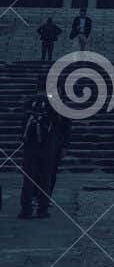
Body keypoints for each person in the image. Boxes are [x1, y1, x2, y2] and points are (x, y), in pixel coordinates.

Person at [19, 89, 58, 219]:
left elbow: (22, 122)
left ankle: (26, 209)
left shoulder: (29, 102)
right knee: (45, 178)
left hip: (30, 146)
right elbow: (60, 123)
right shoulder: (52, 103)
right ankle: (42, 209)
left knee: (28, 179)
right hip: (47, 146)